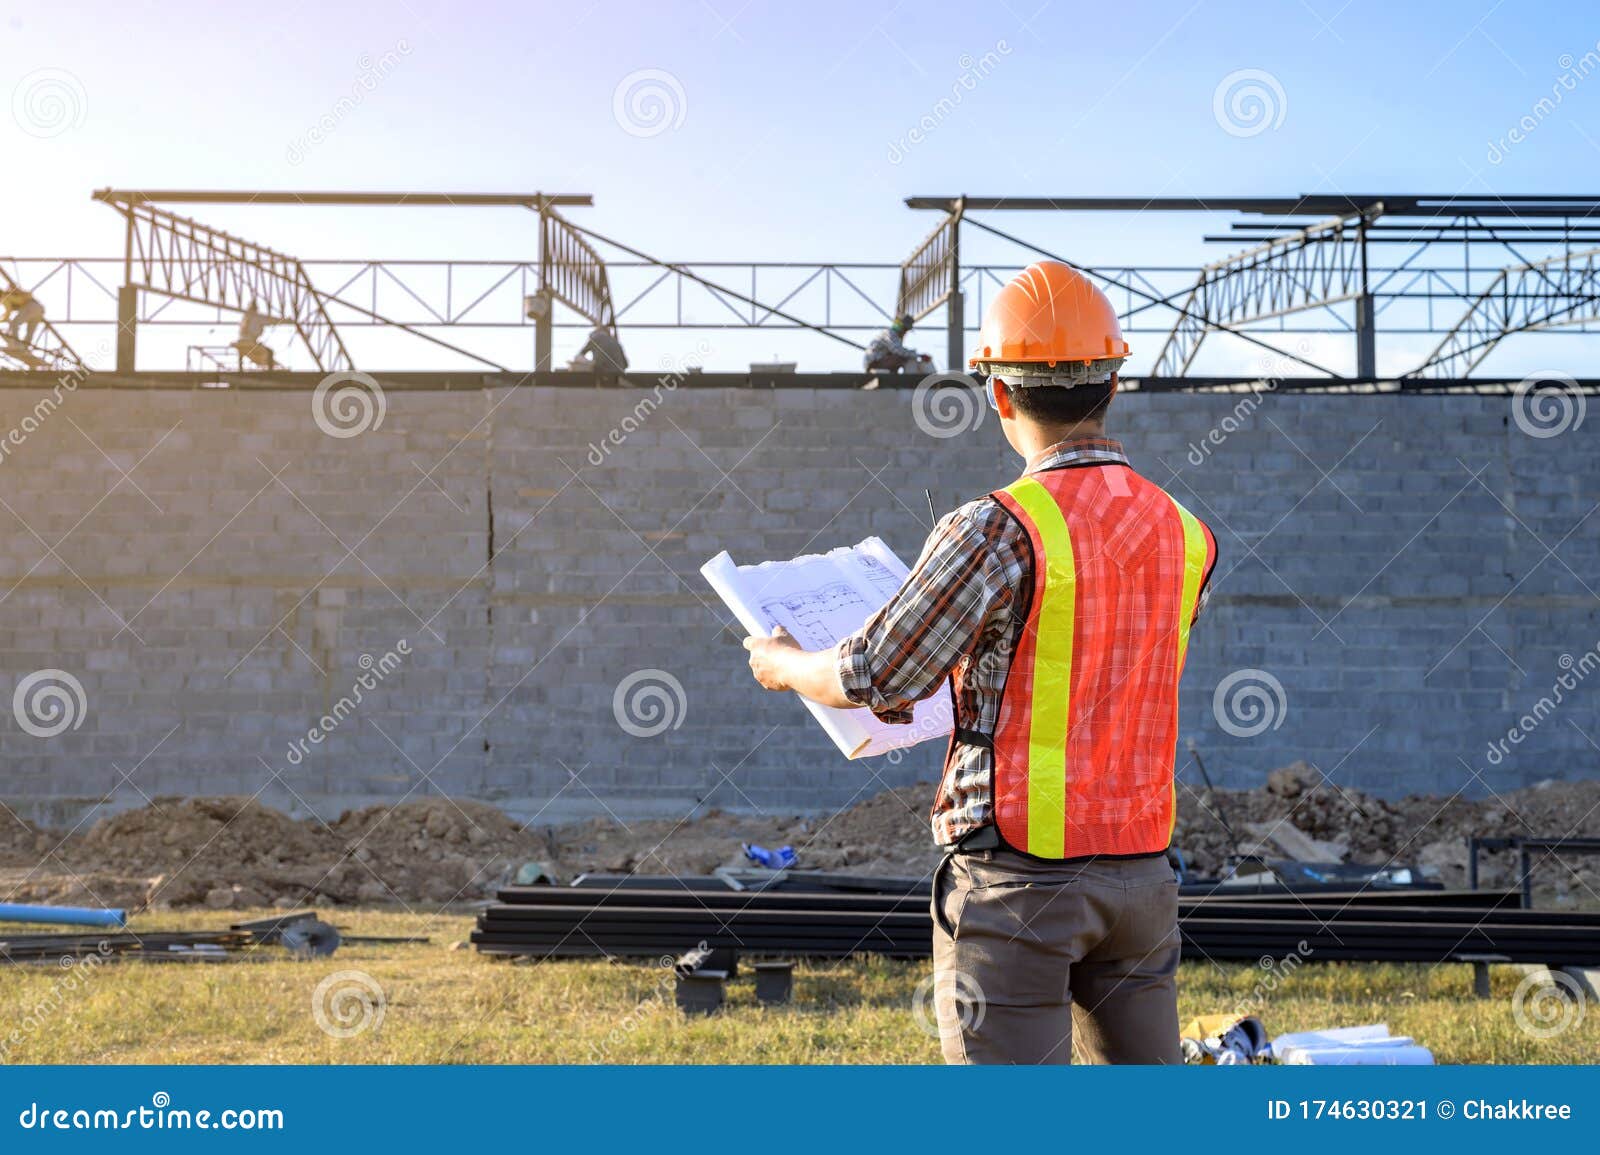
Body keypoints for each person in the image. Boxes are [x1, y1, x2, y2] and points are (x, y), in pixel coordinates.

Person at [743, 260, 1217, 1065]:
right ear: (1113, 383)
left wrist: (786, 664)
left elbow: (875, 676)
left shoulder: (995, 529)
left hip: (1019, 883)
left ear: (999, 394)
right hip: (1141, 878)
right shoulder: (1186, 531)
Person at [863, 314, 930, 373]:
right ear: (901, 327)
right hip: (874, 363)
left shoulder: (892, 335)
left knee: (903, 357)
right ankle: (907, 378)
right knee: (902, 358)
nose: (905, 332)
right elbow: (899, 351)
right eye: (905, 329)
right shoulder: (890, 334)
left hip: (877, 361)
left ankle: (894, 376)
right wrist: (918, 355)